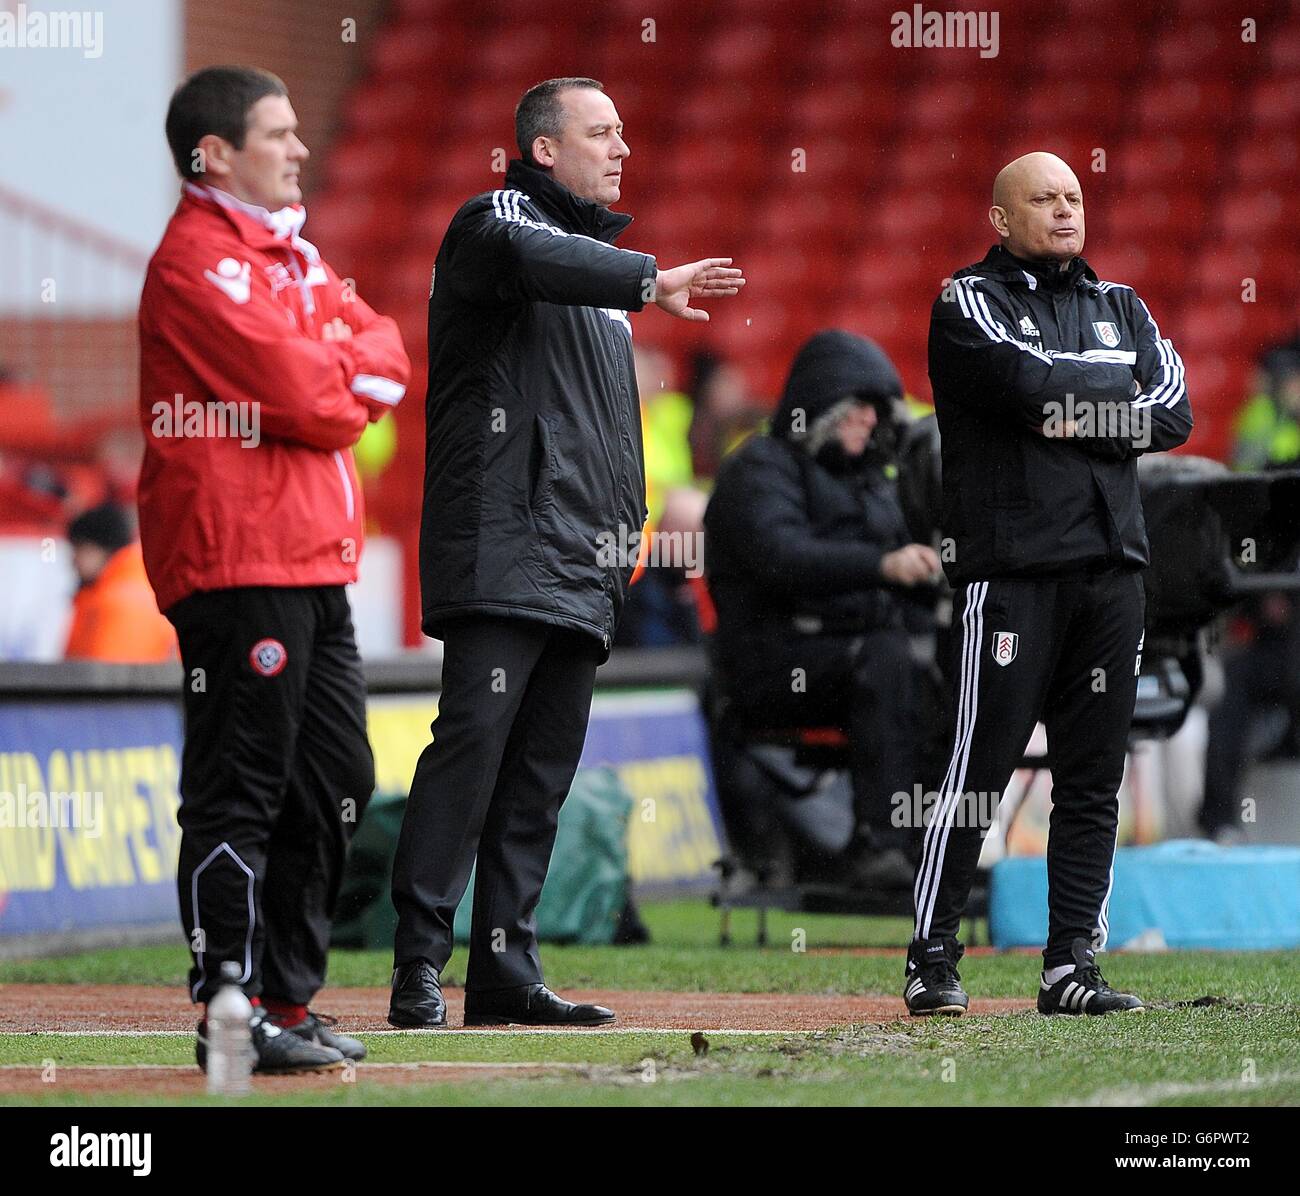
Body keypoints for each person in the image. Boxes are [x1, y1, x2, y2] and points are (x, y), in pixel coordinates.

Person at [388, 77, 743, 1028]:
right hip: (504, 542)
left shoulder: (593, 273)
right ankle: (418, 964)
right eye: (602, 132)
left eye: (624, 132)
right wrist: (648, 279)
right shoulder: (496, 221)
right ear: (544, 149)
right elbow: (519, 250)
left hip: (582, 560)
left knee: (541, 777)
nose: (623, 148)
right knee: (470, 754)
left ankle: (505, 968)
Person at [137, 66, 411, 1070]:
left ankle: (286, 1001)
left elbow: (380, 345)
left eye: (300, 130)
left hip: (308, 558)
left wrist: (342, 371)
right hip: (234, 556)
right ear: (215, 153)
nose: (299, 149)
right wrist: (343, 377)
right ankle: (227, 1008)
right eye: (278, 133)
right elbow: (312, 394)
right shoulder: (196, 266)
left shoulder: (290, 258)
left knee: (337, 775)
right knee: (240, 787)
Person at [905, 152, 1192, 1017]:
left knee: (1092, 779)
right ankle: (932, 956)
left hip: (1113, 575)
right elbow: (1026, 383)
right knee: (977, 773)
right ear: (1001, 218)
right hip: (1014, 575)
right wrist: (1112, 395)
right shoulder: (969, 301)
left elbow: (1173, 410)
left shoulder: (1122, 305)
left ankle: (1071, 965)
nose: (1065, 211)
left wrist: (1072, 401)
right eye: (1044, 198)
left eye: (1073, 196)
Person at [704, 330, 940, 886]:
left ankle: (923, 846)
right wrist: (883, 566)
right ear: (823, 407)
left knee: (941, 676)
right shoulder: (760, 469)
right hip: (770, 667)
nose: (868, 422)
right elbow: (782, 557)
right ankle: (876, 845)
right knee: (883, 658)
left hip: (852, 657)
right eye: (858, 408)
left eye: (876, 412)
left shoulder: (865, 480)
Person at [64, 502, 177, 662]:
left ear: (99, 549)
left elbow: (110, 680)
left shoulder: (121, 602)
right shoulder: (113, 593)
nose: (73, 560)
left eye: (78, 549)